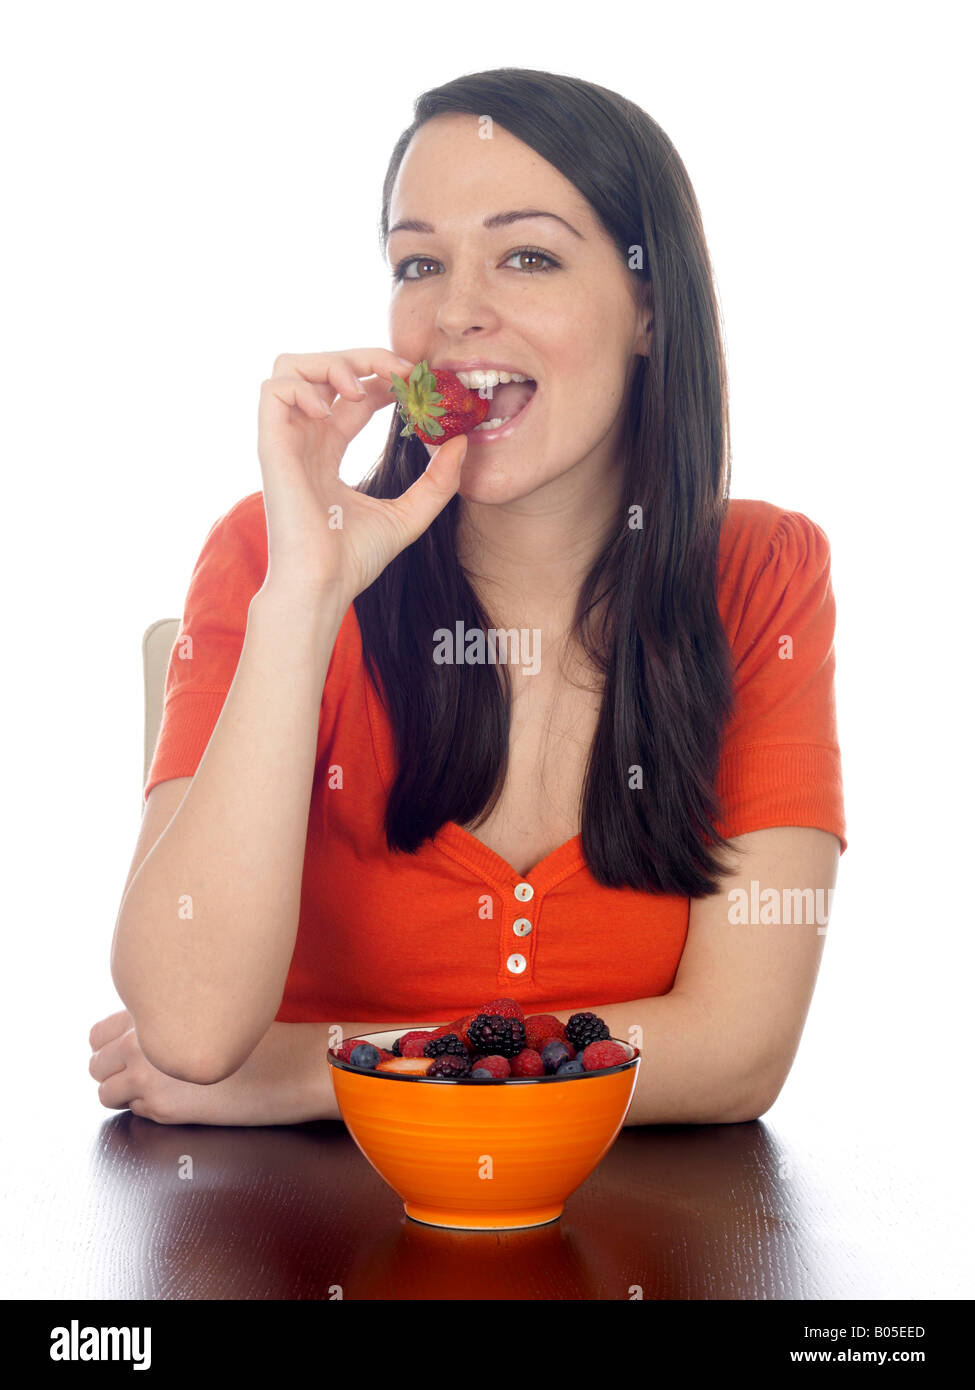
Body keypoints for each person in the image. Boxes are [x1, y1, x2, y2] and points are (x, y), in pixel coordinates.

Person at [91, 68, 846, 1128]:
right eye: (418, 263)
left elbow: (736, 1053)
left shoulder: (760, 574)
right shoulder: (273, 553)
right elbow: (190, 1030)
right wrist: (306, 598)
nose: (454, 312)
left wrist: (320, 1070)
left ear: (648, 305)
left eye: (527, 255)